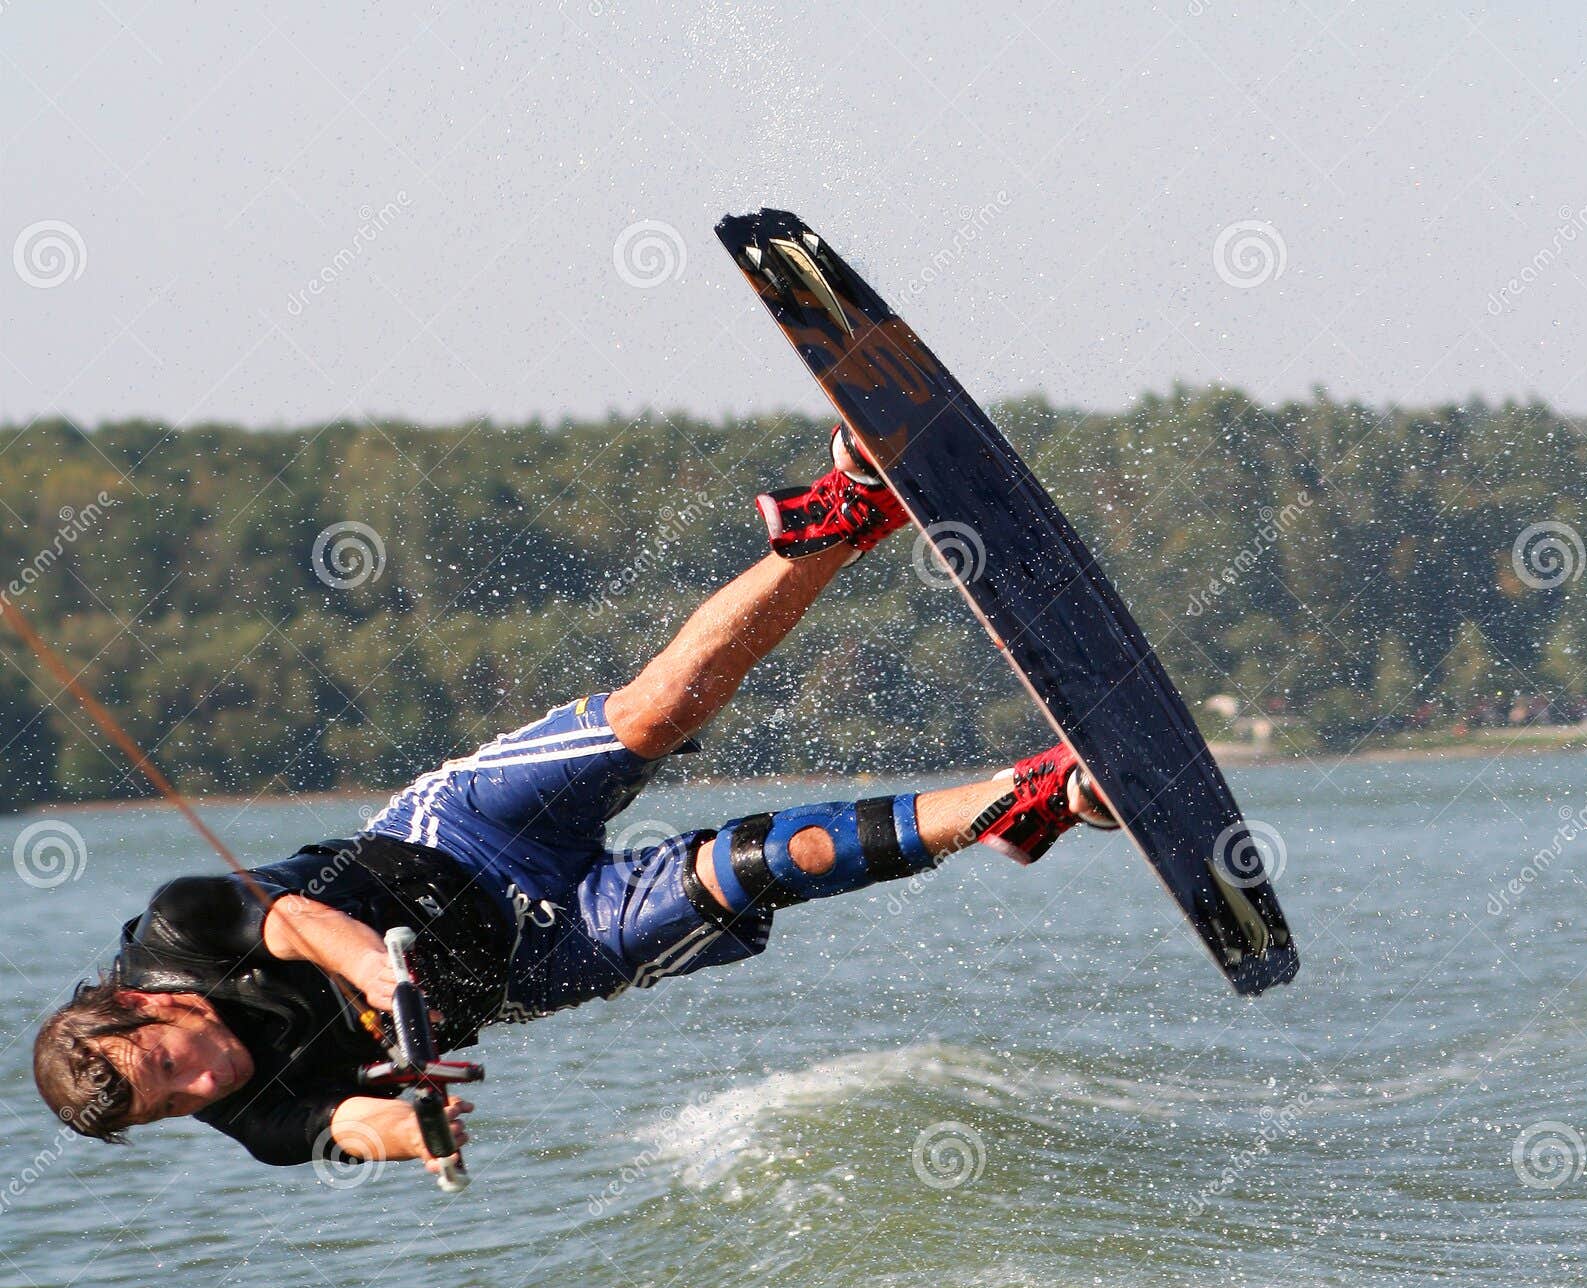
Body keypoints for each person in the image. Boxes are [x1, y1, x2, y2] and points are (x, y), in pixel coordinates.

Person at [31, 428, 1116, 1178]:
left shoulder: (177, 927)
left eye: (169, 1064)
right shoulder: (249, 1114)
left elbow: (298, 920)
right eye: (172, 1104)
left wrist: (376, 972)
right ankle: (1020, 800)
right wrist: (420, 1134)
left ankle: (845, 516)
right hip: (537, 959)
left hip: (449, 833)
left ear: (144, 1009)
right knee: (742, 866)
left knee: (657, 708)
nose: (200, 1080)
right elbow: (347, 1126)